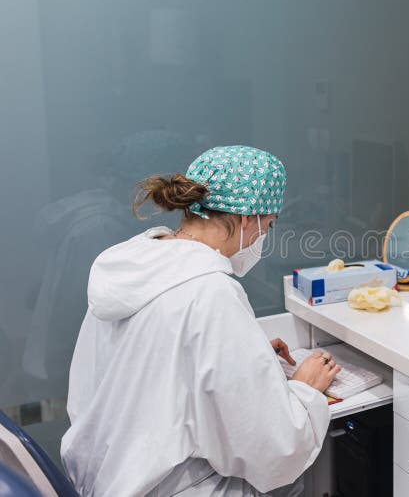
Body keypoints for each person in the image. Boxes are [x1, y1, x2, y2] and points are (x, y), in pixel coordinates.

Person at [61, 145, 340, 496]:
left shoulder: (135, 266)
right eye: (267, 225)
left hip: (105, 476)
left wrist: (245, 358)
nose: (262, 237)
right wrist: (304, 388)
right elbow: (271, 446)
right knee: (294, 483)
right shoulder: (210, 291)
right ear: (246, 220)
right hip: (173, 486)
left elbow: (147, 364)